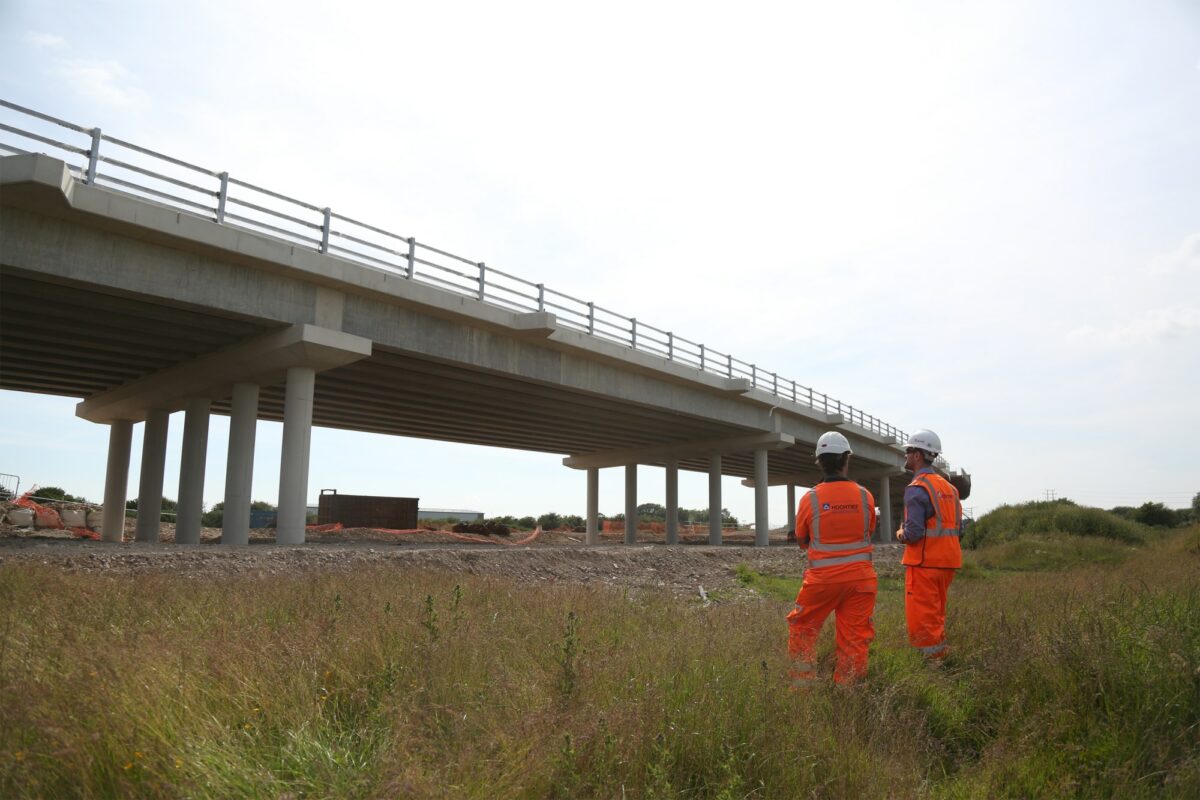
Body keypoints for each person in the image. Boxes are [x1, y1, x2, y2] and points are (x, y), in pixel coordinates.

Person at [788, 431, 877, 688]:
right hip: (860, 581)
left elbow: (803, 540)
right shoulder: (865, 496)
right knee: (855, 637)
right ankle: (848, 689)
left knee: (802, 628)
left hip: (822, 582)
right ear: (846, 459)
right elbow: (867, 532)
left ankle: (803, 686)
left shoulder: (810, 498)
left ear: (819, 461)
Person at [895, 429, 962, 665]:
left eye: (908, 450)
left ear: (918, 455)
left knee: (922, 619)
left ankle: (930, 666)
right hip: (948, 563)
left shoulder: (917, 488)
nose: (905, 454)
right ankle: (940, 656)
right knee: (936, 615)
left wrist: (900, 533)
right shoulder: (951, 490)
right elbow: (957, 530)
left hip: (924, 564)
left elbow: (913, 534)